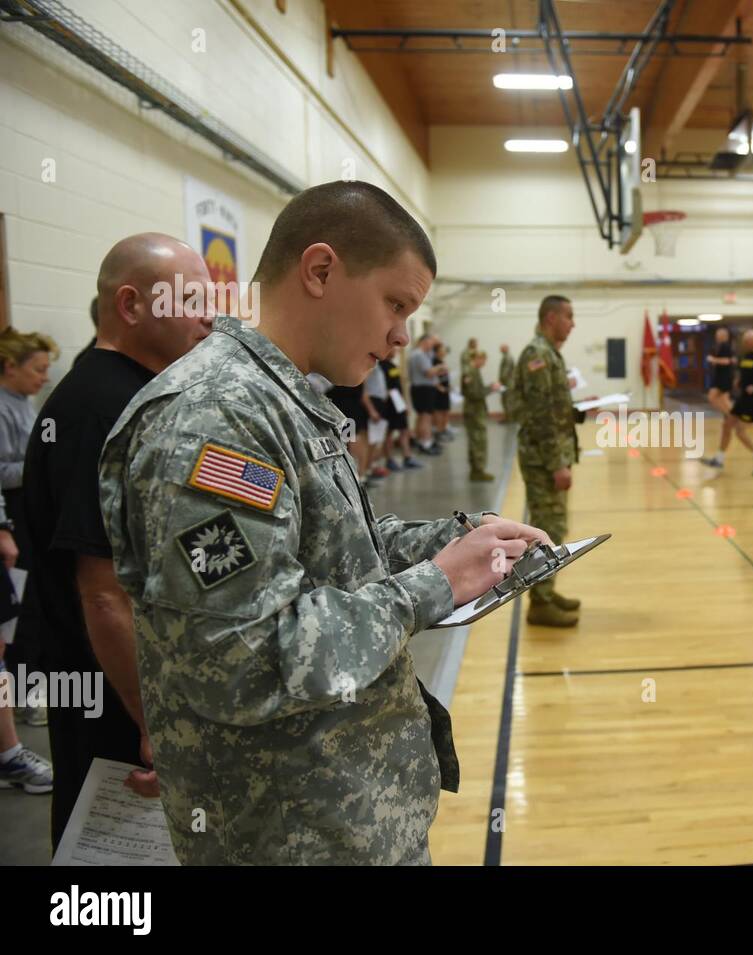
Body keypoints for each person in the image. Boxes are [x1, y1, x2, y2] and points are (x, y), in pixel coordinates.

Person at [98, 181, 549, 864]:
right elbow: (244, 659)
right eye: (396, 304)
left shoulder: (282, 399)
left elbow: (340, 555)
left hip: (347, 813)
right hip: (287, 834)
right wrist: (431, 585)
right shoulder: (215, 418)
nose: (403, 333)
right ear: (319, 270)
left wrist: (459, 541)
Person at [24, 233, 213, 846]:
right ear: (130, 306)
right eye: (190, 298)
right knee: (109, 857)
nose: (207, 314)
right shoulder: (98, 408)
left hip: (124, 679)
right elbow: (103, 593)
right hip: (107, 688)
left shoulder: (131, 393)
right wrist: (151, 716)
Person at [0, 327, 57, 796]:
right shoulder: (2, 407)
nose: (43, 378)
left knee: (23, 615)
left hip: (20, 515)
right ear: (10, 367)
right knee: (12, 623)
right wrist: (39, 463)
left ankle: (22, 693)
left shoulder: (22, 405)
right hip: (10, 517)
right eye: (36, 370)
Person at [514, 295, 583, 628]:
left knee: (553, 528)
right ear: (551, 317)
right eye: (569, 316)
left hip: (547, 456)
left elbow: (553, 408)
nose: (573, 323)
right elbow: (542, 417)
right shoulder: (539, 355)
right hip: (544, 460)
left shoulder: (548, 354)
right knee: (547, 532)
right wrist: (558, 464)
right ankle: (539, 602)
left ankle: (546, 588)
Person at [702, 329, 753, 475]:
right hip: (743, 400)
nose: (744, 343)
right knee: (726, 425)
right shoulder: (746, 356)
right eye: (744, 341)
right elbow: (744, 373)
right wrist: (738, 381)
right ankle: (719, 459)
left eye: (746, 341)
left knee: (739, 431)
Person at [461, 344, 498, 482]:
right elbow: (475, 393)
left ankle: (477, 470)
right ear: (477, 358)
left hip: (475, 410)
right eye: (483, 360)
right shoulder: (470, 372)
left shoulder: (473, 370)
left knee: (476, 441)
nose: (484, 363)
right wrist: (491, 388)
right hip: (474, 411)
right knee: (478, 441)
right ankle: (478, 471)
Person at [380, 356, 421, 471]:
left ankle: (407, 457)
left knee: (404, 430)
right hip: (389, 404)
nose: (395, 350)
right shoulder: (381, 366)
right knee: (389, 432)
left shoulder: (393, 366)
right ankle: (389, 460)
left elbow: (399, 386)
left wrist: (404, 403)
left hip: (398, 402)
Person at [408, 334, 442, 455]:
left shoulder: (421, 354)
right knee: (425, 417)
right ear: (425, 341)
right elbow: (428, 373)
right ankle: (425, 442)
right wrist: (439, 367)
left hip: (422, 388)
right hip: (423, 388)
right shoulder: (419, 354)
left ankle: (420, 439)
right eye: (431, 343)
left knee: (422, 416)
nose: (432, 346)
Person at [703, 325, 735, 415]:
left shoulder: (725, 346)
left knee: (712, 397)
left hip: (723, 377)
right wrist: (715, 361)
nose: (716, 337)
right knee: (723, 399)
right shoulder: (721, 346)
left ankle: (732, 415)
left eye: (718, 335)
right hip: (721, 376)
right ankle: (730, 415)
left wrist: (712, 359)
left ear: (723, 336)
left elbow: (727, 361)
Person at [497, 343, 516, 424]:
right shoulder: (506, 356)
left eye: (502, 348)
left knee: (508, 400)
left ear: (506, 349)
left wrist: (501, 380)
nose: (500, 349)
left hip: (507, 383)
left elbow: (506, 371)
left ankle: (510, 418)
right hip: (506, 382)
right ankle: (508, 417)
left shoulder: (507, 357)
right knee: (505, 400)